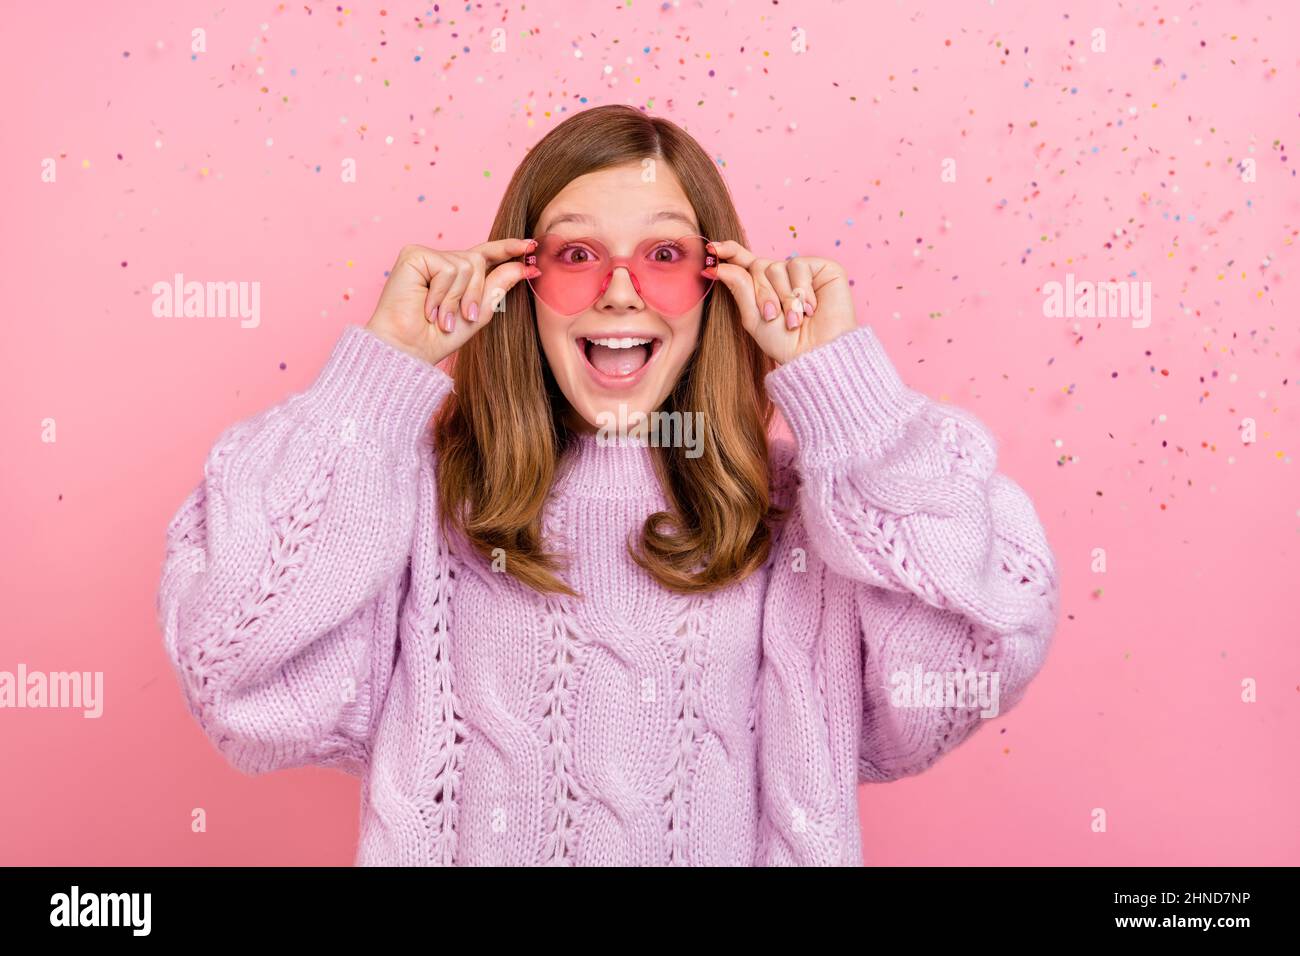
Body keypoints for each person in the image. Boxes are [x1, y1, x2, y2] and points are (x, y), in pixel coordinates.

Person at [157, 104, 1059, 866]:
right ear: (520, 283)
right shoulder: (414, 504)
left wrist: (850, 405)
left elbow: (971, 670)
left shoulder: (808, 516)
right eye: (578, 256)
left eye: (665, 258)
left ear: (719, 288)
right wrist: (378, 376)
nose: (621, 293)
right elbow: (234, 676)